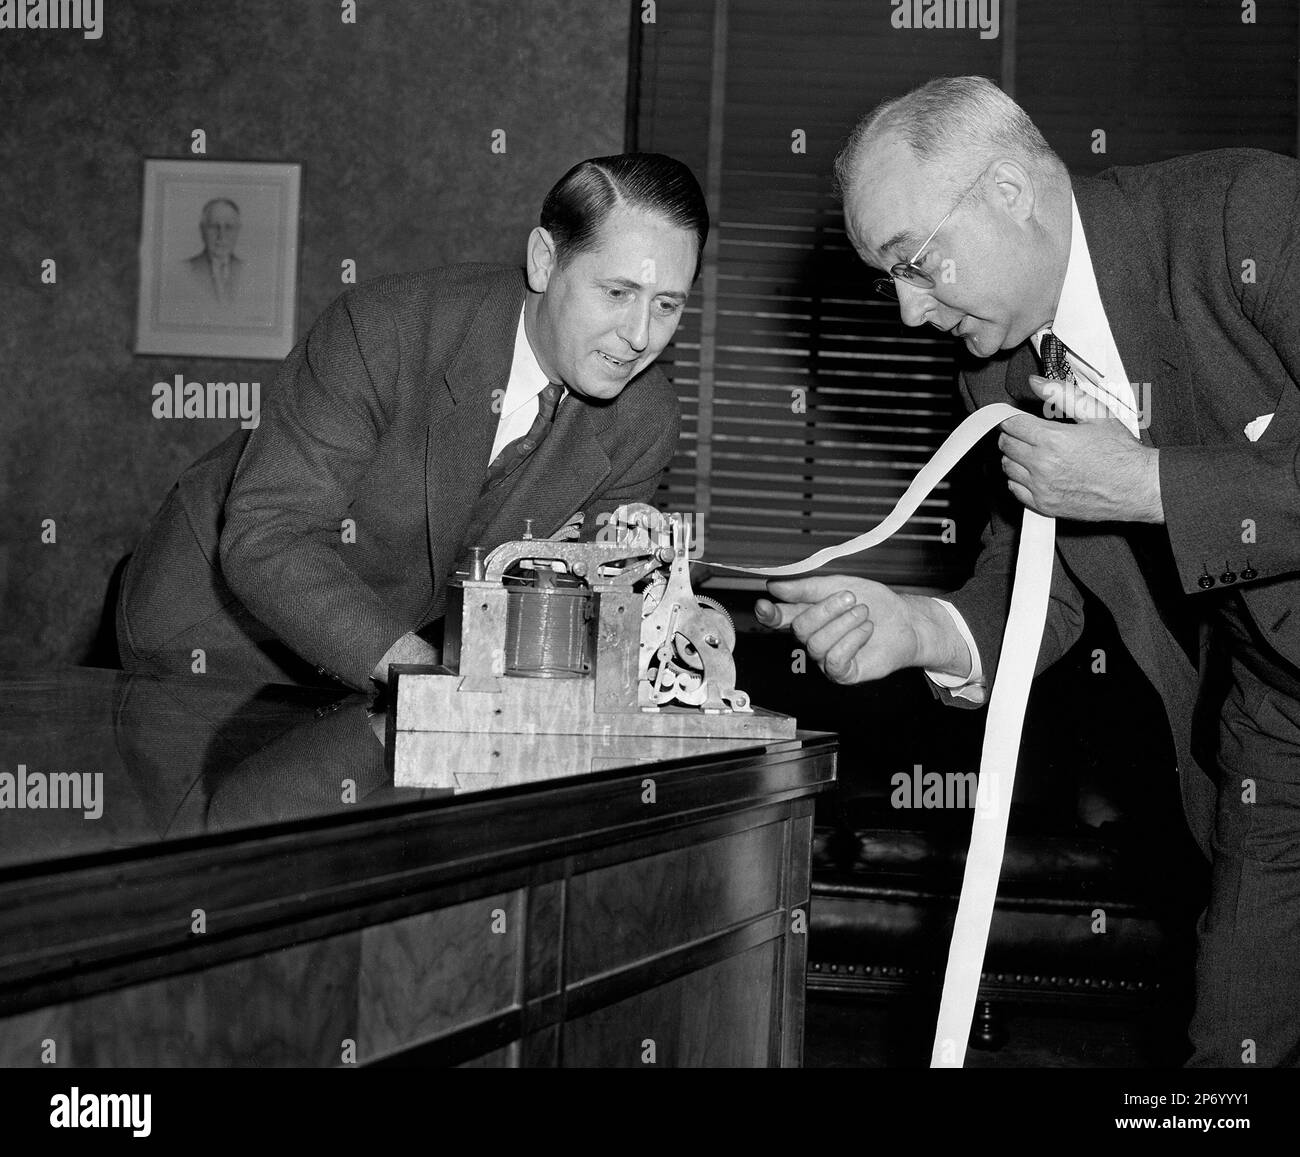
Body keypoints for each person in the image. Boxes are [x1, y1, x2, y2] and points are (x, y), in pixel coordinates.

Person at [756, 76, 1300, 1067]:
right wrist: (923, 629)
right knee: (1231, 1056)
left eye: (914, 263)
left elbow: (1135, 493)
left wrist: (1152, 487)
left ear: (1010, 188)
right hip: (1274, 734)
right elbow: (1034, 578)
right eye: (889, 280)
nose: (911, 312)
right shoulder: (1000, 371)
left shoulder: (1244, 216)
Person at [118, 152, 706, 691]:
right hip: (215, 628)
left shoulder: (645, 420)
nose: (638, 337)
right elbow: (271, 536)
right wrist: (433, 682)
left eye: (666, 305)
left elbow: (590, 600)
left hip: (391, 658)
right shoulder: (383, 331)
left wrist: (679, 616)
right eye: (617, 291)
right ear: (545, 260)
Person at [182, 197, 246, 306]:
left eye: (229, 227)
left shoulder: (248, 271)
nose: (221, 235)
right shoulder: (184, 271)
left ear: (238, 230)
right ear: (202, 230)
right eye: (213, 227)